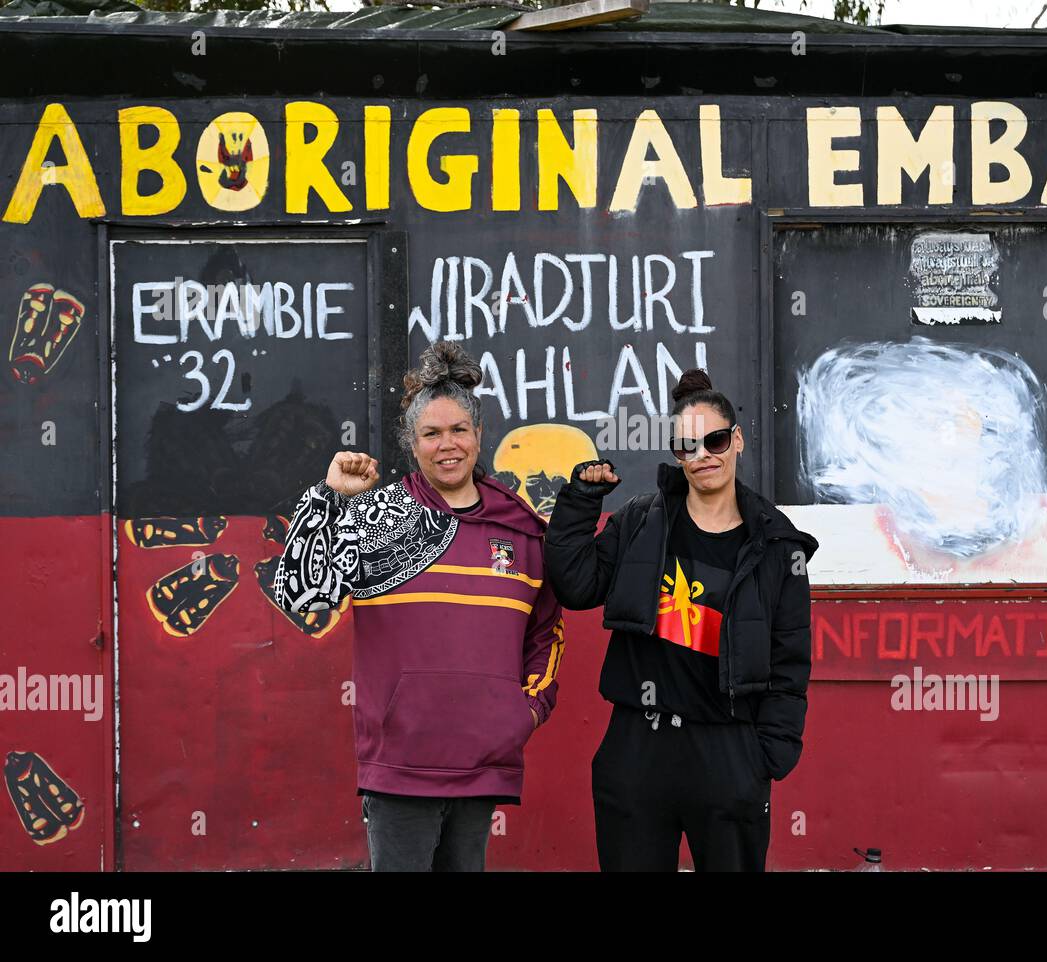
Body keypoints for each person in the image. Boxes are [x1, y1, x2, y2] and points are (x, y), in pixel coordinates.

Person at [273, 342, 563, 872]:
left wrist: (523, 713)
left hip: (483, 761)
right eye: (431, 434)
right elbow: (298, 594)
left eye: (458, 430)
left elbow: (546, 632)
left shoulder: (517, 526)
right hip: (401, 765)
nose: (446, 445)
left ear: (479, 436)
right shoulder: (381, 515)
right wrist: (331, 500)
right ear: (412, 443)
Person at [544, 368, 818, 872]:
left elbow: (790, 660)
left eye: (714, 440)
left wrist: (764, 759)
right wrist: (582, 501)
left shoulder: (778, 547)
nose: (702, 456)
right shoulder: (640, 521)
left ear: (736, 441)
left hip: (727, 749)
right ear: (676, 453)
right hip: (637, 747)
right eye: (687, 446)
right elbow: (577, 586)